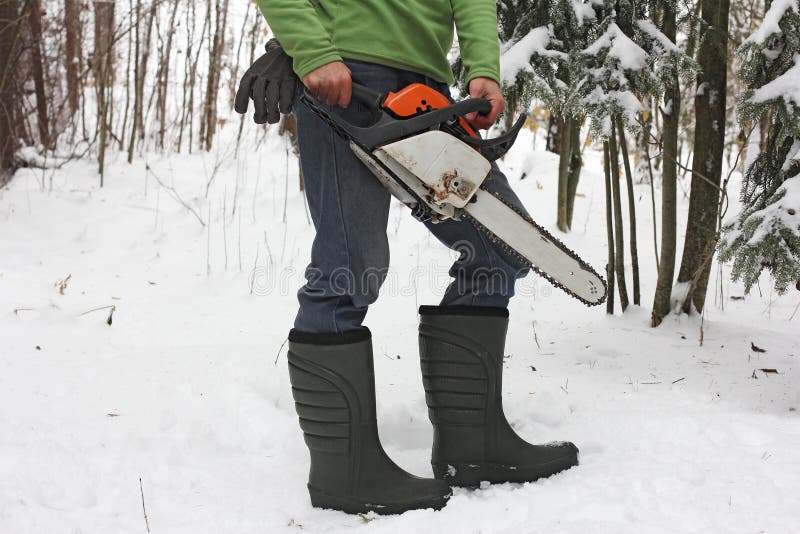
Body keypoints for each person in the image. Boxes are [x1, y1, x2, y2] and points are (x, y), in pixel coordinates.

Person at [236, 0, 578, 515]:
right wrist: (310, 51)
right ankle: (345, 475)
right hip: (345, 74)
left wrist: (482, 67)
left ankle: (474, 447)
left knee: (501, 248)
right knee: (350, 265)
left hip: (427, 91)